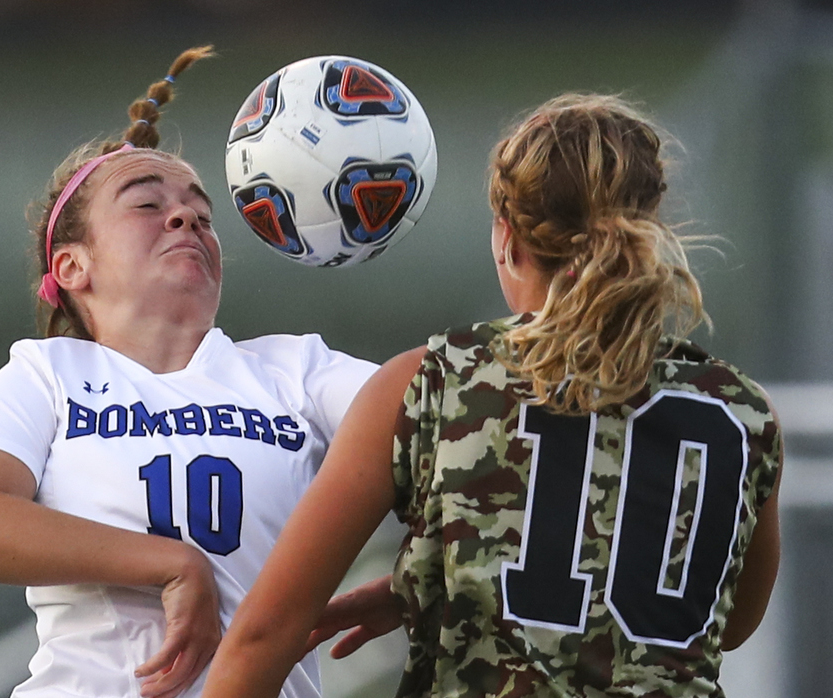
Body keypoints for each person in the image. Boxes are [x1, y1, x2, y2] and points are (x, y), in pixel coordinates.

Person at [201, 93, 783, 698]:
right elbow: (728, 620)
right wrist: (459, 580)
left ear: (507, 237)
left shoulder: (433, 381)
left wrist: (465, 581)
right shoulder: (740, 408)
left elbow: (264, 635)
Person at [0, 46, 376, 698]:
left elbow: (445, 417)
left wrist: (422, 576)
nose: (187, 216)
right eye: (146, 204)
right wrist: (172, 566)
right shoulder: (49, 373)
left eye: (202, 211)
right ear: (73, 268)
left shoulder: (297, 368)